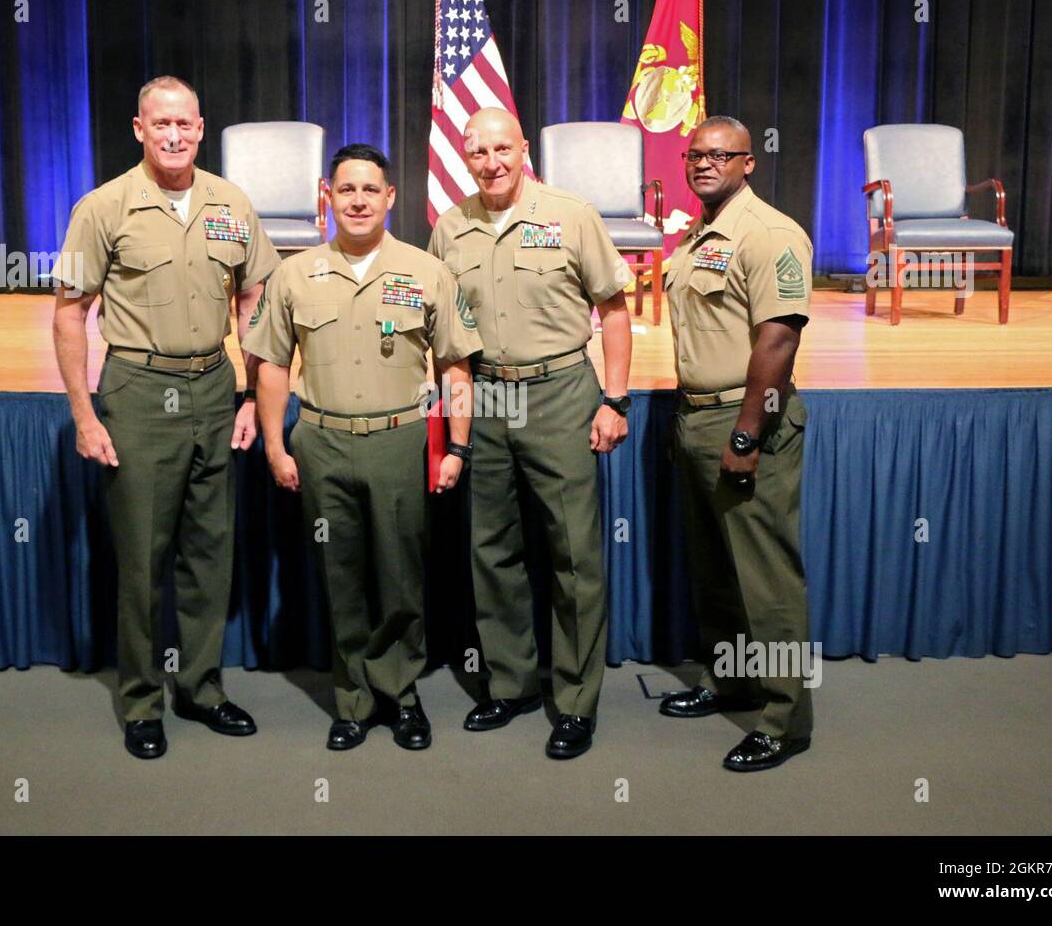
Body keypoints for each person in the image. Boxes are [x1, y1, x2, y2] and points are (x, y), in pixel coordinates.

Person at [52, 75, 279, 759]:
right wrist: (85, 416)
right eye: (161, 124)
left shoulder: (230, 203)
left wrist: (247, 394)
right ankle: (143, 701)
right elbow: (68, 315)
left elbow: (253, 300)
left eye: (185, 124)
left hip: (212, 388)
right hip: (139, 395)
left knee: (211, 554)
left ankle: (204, 690)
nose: (174, 136)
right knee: (144, 558)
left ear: (201, 128)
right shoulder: (104, 206)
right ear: (139, 128)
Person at [245, 143, 482, 752]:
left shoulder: (426, 271)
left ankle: (402, 696)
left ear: (389, 197)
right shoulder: (294, 274)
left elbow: (455, 366)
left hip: (400, 442)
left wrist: (456, 447)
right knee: (340, 575)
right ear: (328, 195)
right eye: (345, 189)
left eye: (369, 190)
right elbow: (271, 366)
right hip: (320, 443)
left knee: (401, 578)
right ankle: (352, 700)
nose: (357, 200)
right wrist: (275, 446)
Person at [427, 107, 633, 759]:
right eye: (477, 151)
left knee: (573, 555)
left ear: (523, 150)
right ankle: (510, 683)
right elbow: (436, 328)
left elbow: (614, 310)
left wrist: (616, 398)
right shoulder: (449, 229)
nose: (491, 161)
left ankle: (574, 702)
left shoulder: (572, 216)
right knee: (493, 549)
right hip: (485, 397)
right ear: (465, 157)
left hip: (559, 394)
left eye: (501, 148)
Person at [659, 115, 814, 771]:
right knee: (717, 572)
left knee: (766, 578)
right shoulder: (698, 235)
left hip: (745, 420)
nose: (704, 164)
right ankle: (733, 681)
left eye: (720, 156)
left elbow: (778, 339)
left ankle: (784, 719)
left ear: (749, 162)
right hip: (697, 417)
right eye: (696, 155)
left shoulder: (769, 233)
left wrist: (748, 434)